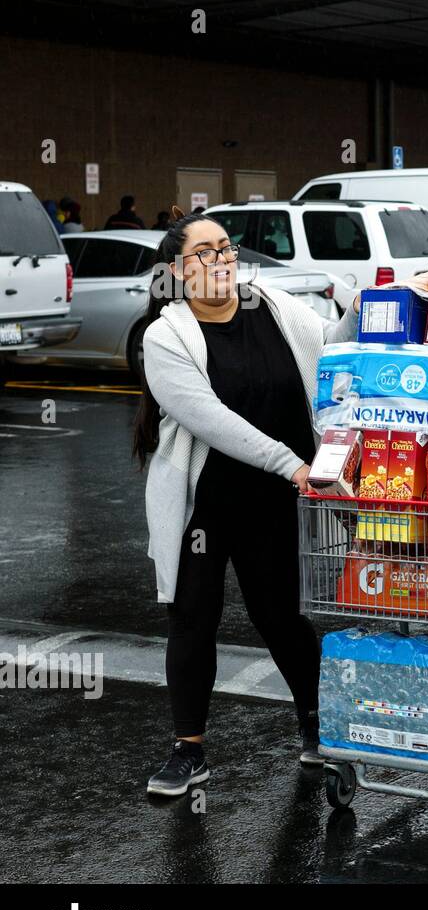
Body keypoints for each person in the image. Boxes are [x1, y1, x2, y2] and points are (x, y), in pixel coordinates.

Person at [132, 211, 361, 798]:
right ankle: (189, 751)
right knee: (192, 617)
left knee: (281, 617)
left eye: (226, 248)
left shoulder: (274, 306)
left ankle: (316, 729)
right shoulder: (166, 336)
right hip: (204, 506)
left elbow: (329, 353)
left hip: (274, 503)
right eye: (205, 252)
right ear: (179, 271)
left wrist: (363, 309)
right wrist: (293, 464)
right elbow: (212, 421)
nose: (222, 259)